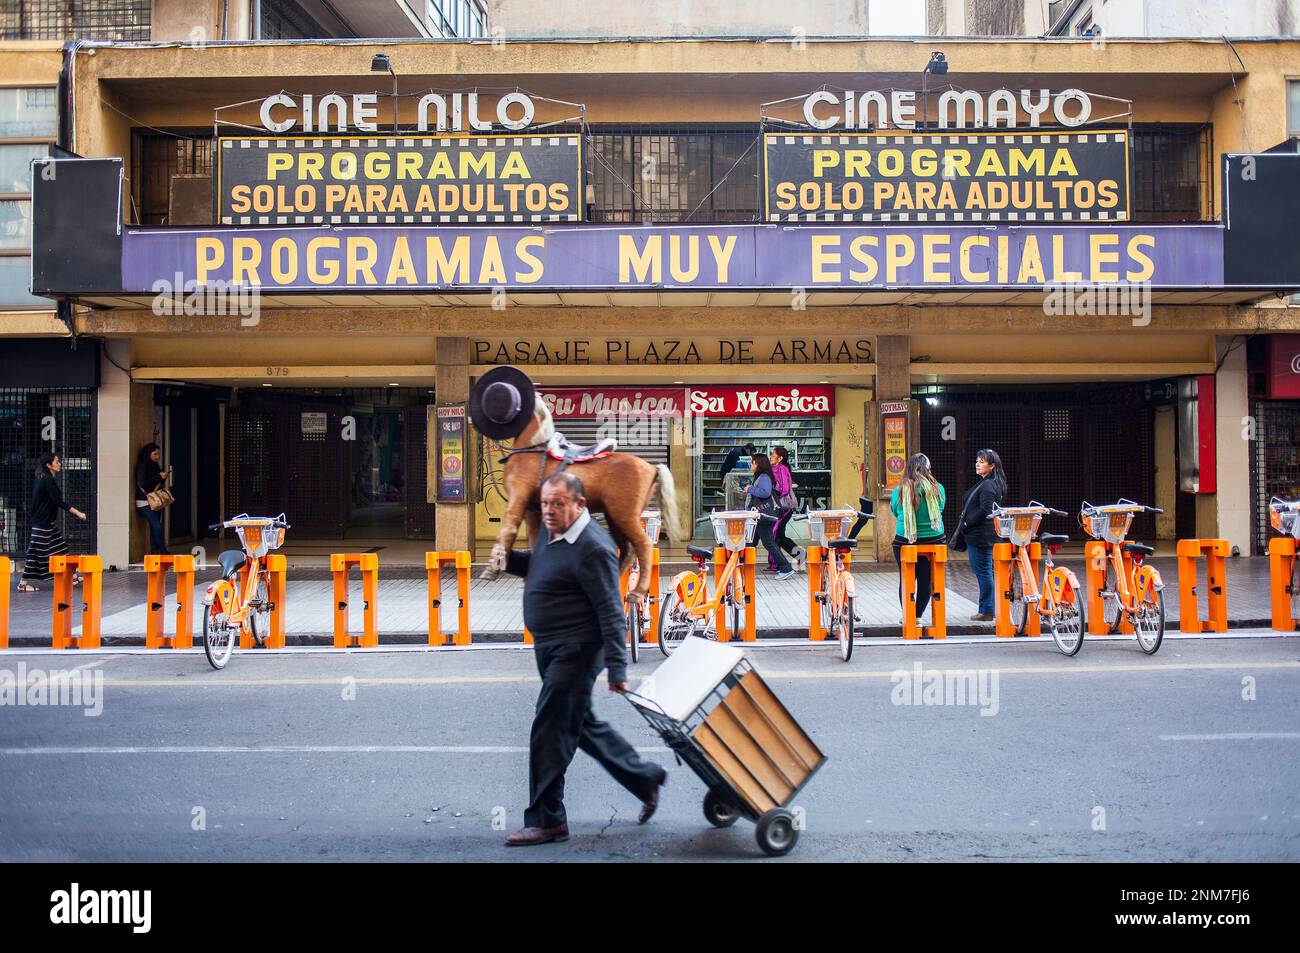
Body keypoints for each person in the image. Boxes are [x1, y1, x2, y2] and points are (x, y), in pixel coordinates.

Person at [500, 471, 667, 846]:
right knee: (580, 725)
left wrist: (617, 668)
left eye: (557, 504)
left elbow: (611, 611)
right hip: (551, 647)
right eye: (544, 503)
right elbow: (540, 566)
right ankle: (644, 778)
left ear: (579, 505)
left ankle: (548, 820)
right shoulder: (550, 530)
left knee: (549, 729)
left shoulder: (594, 548)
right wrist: (508, 560)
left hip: (576, 651)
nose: (548, 510)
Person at [951, 449, 1007, 622]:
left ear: (992, 465)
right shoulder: (988, 483)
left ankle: (987, 609)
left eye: (982, 461)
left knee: (983, 572)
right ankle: (987, 607)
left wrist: (967, 523)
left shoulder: (989, 485)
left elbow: (986, 510)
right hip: (983, 534)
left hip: (980, 535)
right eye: (977, 460)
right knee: (985, 571)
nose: (977, 463)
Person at [889, 453, 946, 623]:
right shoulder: (938, 488)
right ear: (928, 469)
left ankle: (908, 615)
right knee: (925, 579)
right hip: (934, 540)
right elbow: (940, 508)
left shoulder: (899, 490)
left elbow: (894, 511)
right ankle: (918, 616)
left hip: (905, 539)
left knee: (906, 578)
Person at [18, 453, 87, 592]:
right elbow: (58, 501)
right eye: (56, 462)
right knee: (35, 553)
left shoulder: (41, 477)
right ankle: (23, 583)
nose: (59, 463)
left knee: (61, 548)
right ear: (49, 465)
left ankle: (71, 576)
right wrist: (78, 513)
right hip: (42, 523)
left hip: (45, 521)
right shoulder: (47, 479)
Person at [743, 453, 794, 580]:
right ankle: (743, 565)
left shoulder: (764, 477)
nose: (751, 465)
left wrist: (750, 488)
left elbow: (765, 492)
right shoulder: (761, 476)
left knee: (769, 543)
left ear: (758, 464)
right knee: (751, 542)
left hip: (764, 515)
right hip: (759, 515)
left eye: (753, 462)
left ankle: (786, 567)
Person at [768, 445, 803, 571]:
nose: (771, 456)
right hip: (781, 506)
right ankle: (799, 555)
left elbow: (784, 489)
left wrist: (773, 492)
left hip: (783, 506)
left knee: (775, 534)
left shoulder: (781, 469)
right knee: (780, 536)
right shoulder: (778, 468)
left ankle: (778, 563)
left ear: (780, 457)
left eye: (773, 454)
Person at [134, 442, 171, 557]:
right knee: (156, 526)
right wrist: (159, 477)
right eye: (155, 454)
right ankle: (163, 551)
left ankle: (155, 552)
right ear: (148, 454)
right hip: (144, 502)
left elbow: (156, 482)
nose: (157, 457)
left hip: (155, 501)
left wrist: (162, 477)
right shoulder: (141, 466)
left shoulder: (154, 465)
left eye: (158, 454)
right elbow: (143, 483)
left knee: (155, 526)